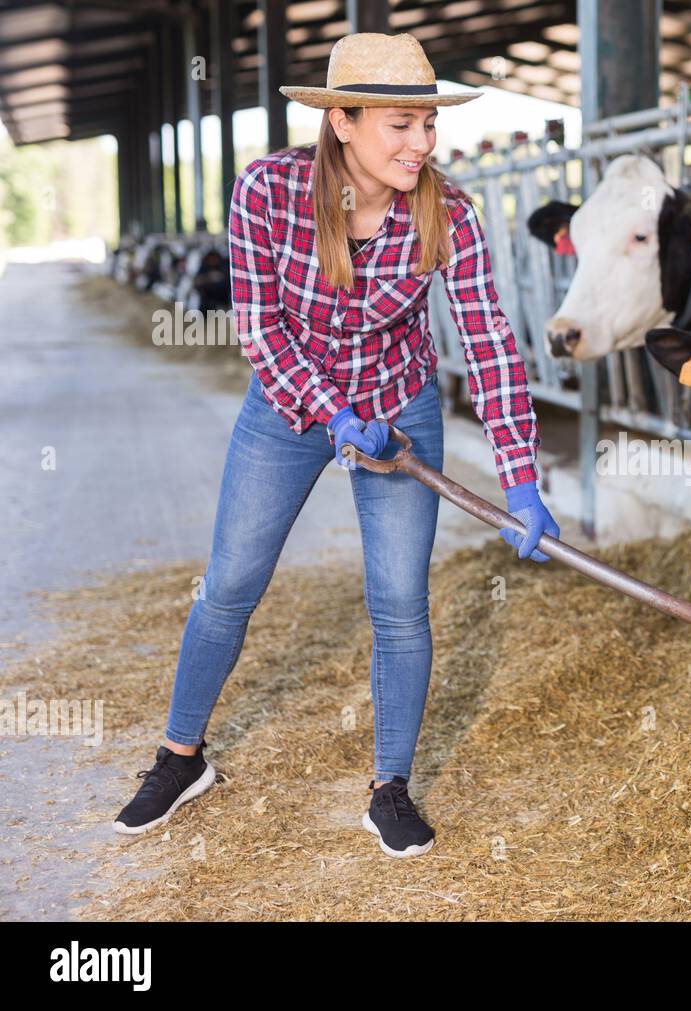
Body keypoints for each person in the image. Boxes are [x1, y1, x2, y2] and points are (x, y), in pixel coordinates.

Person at [113, 32, 559, 858]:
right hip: (287, 404)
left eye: (428, 125)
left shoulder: (447, 211)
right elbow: (259, 328)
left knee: (399, 601)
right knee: (232, 581)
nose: (422, 144)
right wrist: (327, 414)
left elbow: (489, 337)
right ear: (343, 121)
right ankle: (182, 756)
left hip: (399, 404)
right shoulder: (267, 193)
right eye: (401, 124)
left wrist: (521, 478)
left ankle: (389, 786)